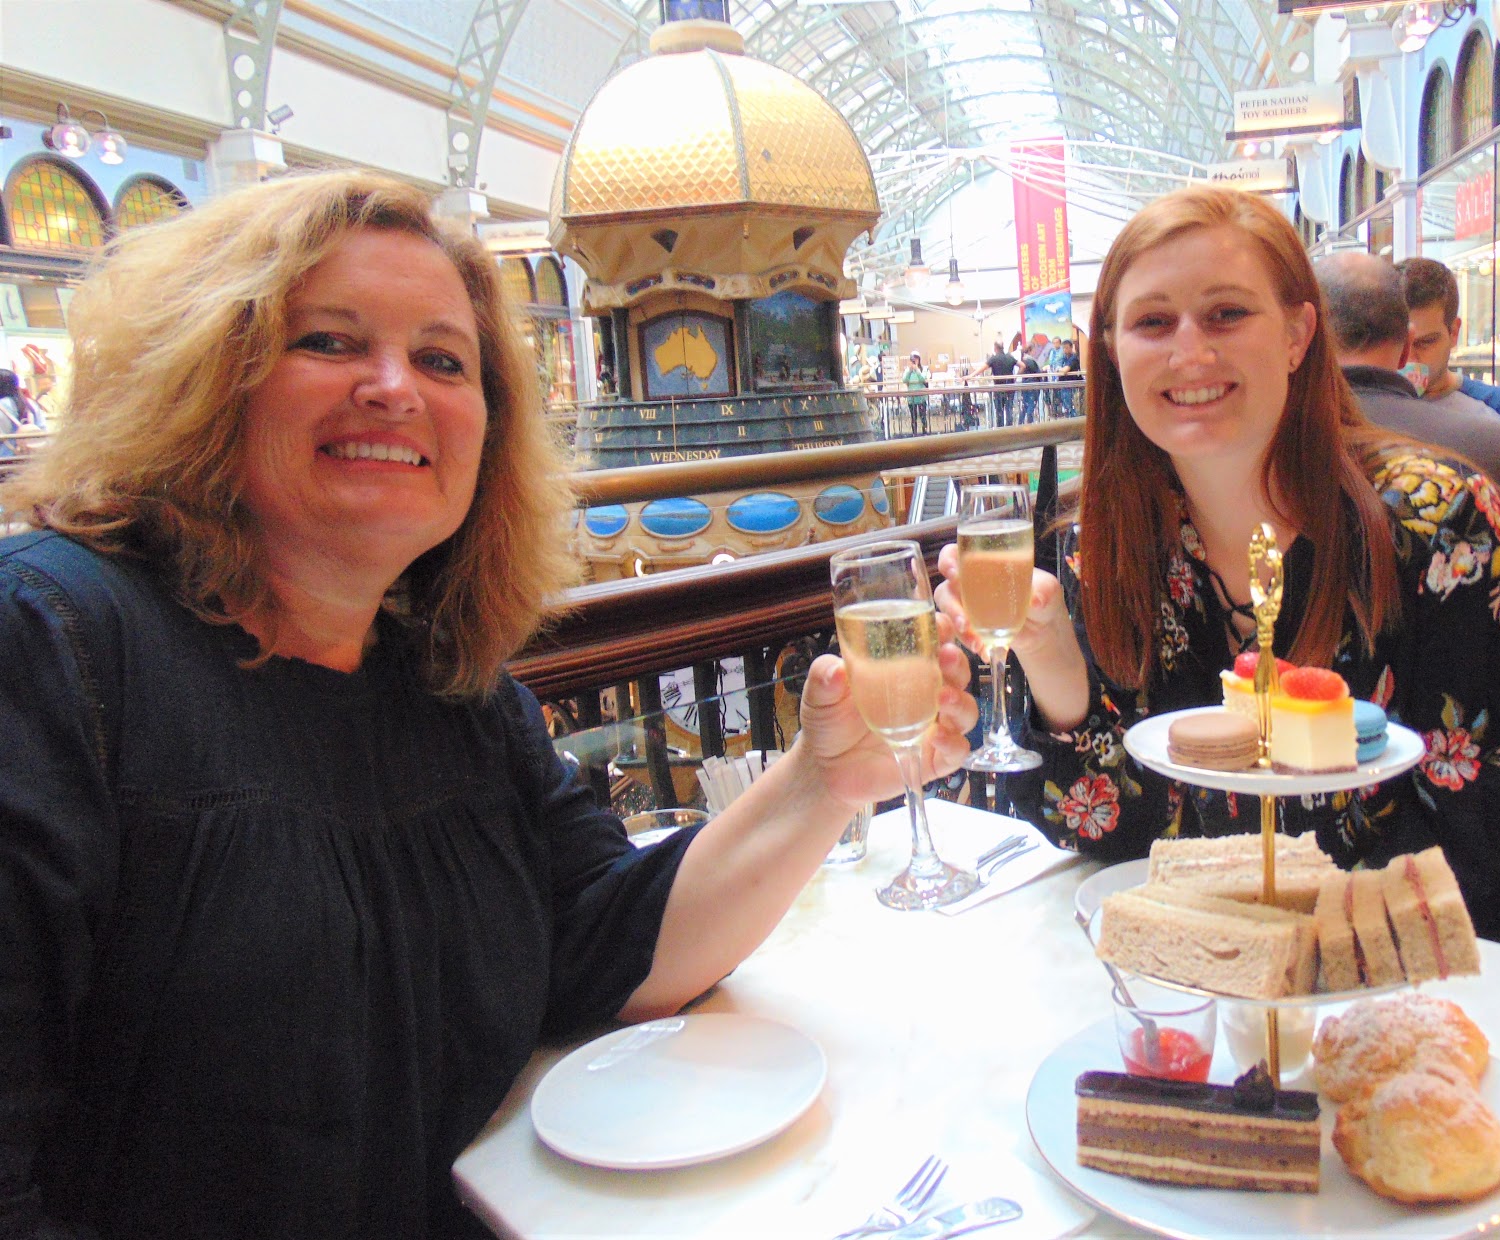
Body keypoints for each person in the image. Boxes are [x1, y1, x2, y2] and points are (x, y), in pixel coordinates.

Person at [0, 170, 979, 1238]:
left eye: (441, 359)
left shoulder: (450, 687)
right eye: (328, 341)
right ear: (202, 373)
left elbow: (610, 948)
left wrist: (821, 780)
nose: (394, 388)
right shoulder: (54, 643)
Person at [934, 184, 1500, 962]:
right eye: (1153, 322)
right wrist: (1048, 655)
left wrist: (1269, 958)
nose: (1190, 352)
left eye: (1226, 314)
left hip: (1438, 977)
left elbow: (1481, 851)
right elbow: (1106, 827)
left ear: (1297, 333)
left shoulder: (1439, 524)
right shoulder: (1113, 549)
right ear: (1112, 352)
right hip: (1207, 978)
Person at [1317, 251, 1500, 894]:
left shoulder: (1268, 452)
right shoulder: (1499, 443)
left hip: (1304, 778)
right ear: (1403, 343)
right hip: (1477, 815)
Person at [1396, 256, 1500, 464]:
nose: (1411, 358)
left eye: (1426, 342)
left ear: (1454, 333)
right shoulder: (1364, 412)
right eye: (1400, 342)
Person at [974, 339, 1018, 427]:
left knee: (999, 410)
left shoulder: (993, 359)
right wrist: (1015, 377)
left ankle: (1000, 429)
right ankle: (1010, 428)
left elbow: (982, 369)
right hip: (1010, 388)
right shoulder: (1010, 357)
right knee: (1009, 409)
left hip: (998, 388)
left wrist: (970, 376)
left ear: (995, 348)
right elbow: (1022, 365)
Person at [902, 349, 930, 435]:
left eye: (916, 359)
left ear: (919, 359)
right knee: (913, 418)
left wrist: (917, 370)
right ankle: (914, 434)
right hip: (911, 398)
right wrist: (910, 370)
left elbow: (923, 379)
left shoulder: (924, 369)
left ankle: (924, 433)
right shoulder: (908, 370)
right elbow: (904, 380)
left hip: (921, 398)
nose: (914, 361)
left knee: (923, 417)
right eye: (912, 359)